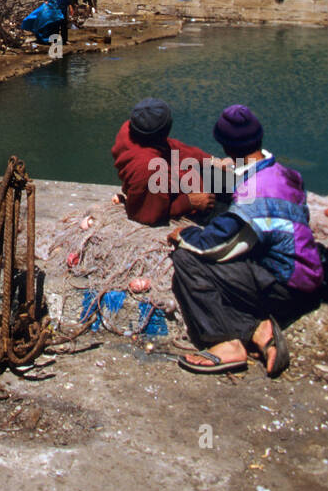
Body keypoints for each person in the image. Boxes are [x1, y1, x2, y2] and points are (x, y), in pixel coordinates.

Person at [170, 105, 324, 376]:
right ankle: (258, 331)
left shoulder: (254, 191)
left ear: (228, 148)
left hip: (284, 287)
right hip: (308, 275)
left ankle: (228, 340)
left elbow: (215, 246)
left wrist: (184, 234)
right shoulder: (286, 174)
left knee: (186, 259)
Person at [111, 97, 221, 226]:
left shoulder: (132, 130)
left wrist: (211, 160)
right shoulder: (149, 168)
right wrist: (189, 202)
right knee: (232, 214)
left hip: (177, 183)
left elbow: (171, 147)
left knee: (228, 179)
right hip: (179, 201)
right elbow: (148, 215)